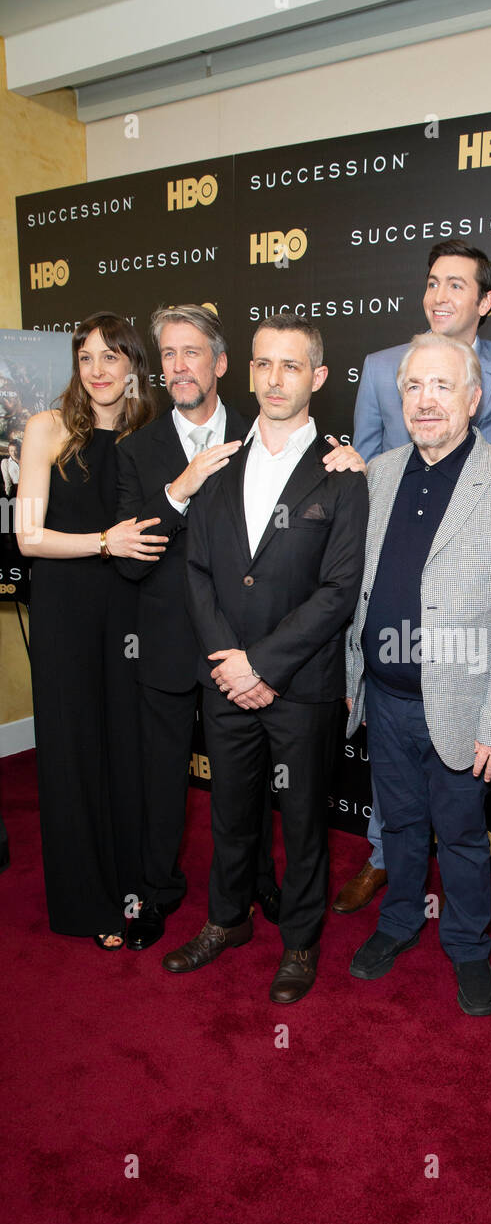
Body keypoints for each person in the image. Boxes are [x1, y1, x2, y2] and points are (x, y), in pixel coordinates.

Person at [335, 238, 491, 916]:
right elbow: (367, 486)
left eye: (457, 284)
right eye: (432, 282)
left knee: (458, 829)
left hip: (463, 648)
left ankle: (466, 942)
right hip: (387, 682)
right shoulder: (384, 383)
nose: (440, 295)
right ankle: (392, 897)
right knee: (397, 812)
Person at [170, 313, 367, 1004]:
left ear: (316, 377)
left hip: (301, 684)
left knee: (307, 820)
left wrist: (262, 666)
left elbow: (341, 591)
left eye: (290, 366)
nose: (274, 379)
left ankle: (302, 941)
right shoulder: (218, 465)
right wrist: (230, 660)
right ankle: (227, 920)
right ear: (247, 371)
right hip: (223, 677)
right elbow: (195, 571)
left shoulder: (342, 473)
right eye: (262, 364)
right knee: (230, 812)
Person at [115, 305, 279, 951]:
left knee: (250, 778)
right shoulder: (138, 452)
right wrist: (178, 489)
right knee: (161, 780)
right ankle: (155, 893)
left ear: (221, 363)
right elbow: (131, 559)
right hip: (163, 643)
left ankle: (258, 880)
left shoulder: (262, 433)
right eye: (170, 356)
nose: (180, 367)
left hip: (238, 646)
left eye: (192, 353)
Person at [16, 312, 158, 947]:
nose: (98, 371)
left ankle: (134, 890)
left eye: (111, 357)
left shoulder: (148, 432)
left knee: (126, 750)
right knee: (74, 752)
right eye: (86, 359)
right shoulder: (46, 430)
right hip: (64, 611)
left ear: (133, 365)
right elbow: (29, 536)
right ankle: (87, 904)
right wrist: (106, 542)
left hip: (131, 611)